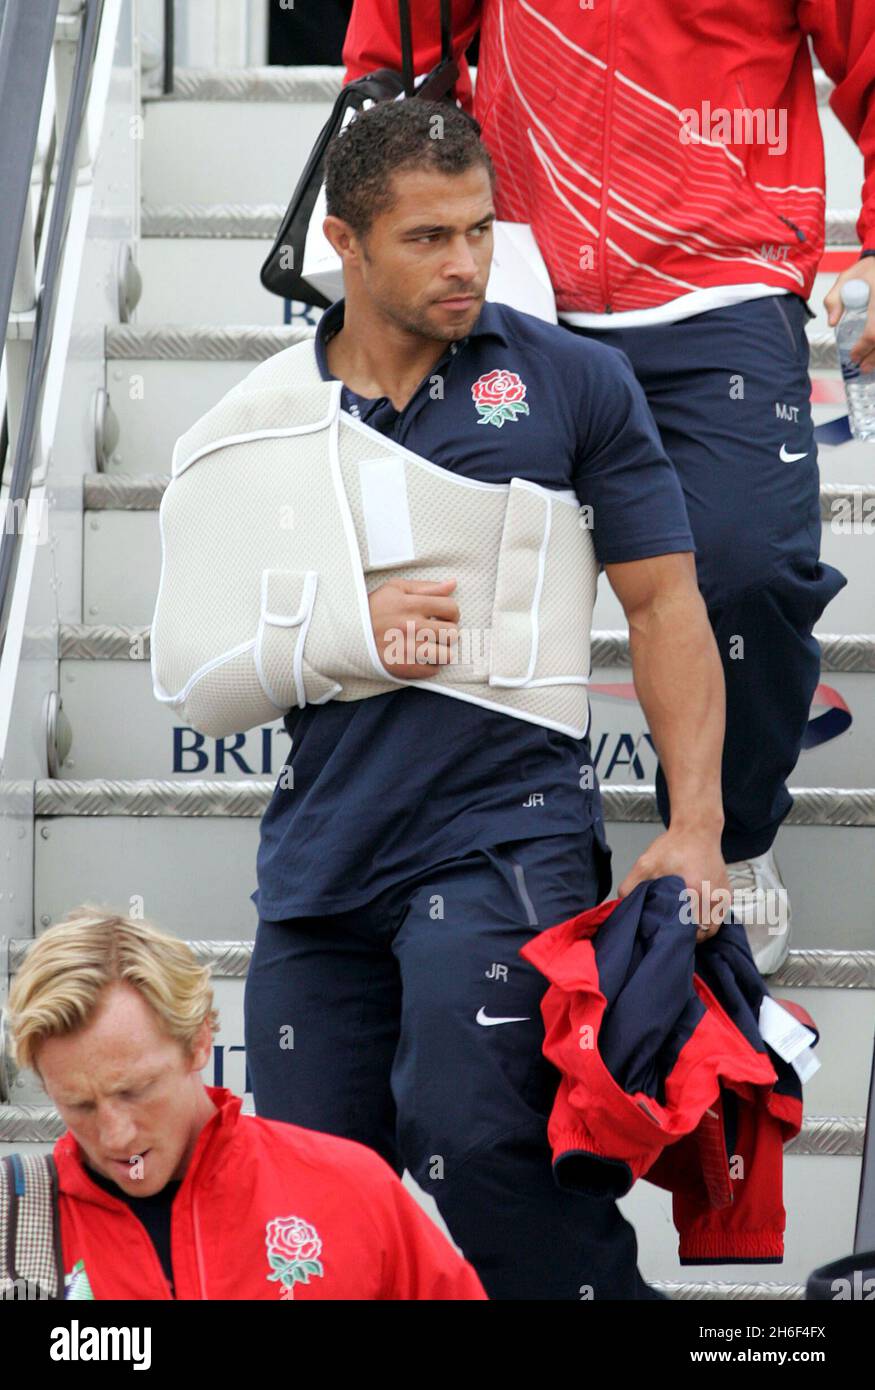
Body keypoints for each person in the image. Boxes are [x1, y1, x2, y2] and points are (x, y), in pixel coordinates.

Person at [245, 97, 729, 1301]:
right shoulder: (262, 416)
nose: (465, 261)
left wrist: (696, 822)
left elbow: (665, 605)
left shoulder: (573, 379)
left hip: (502, 830)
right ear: (344, 244)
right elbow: (214, 646)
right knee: (307, 1193)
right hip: (321, 851)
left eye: (480, 230)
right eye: (426, 238)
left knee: (486, 1151)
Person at [342, 0, 868, 974]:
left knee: (750, 567)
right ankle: (464, 852)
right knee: (446, 561)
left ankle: (730, 835)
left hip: (720, 279)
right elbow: (397, 53)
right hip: (515, 273)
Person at [6, 906, 487, 1300]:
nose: (116, 1136)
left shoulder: (349, 1189)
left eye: (135, 1090)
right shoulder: (14, 1222)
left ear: (199, 1043)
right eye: (79, 1106)